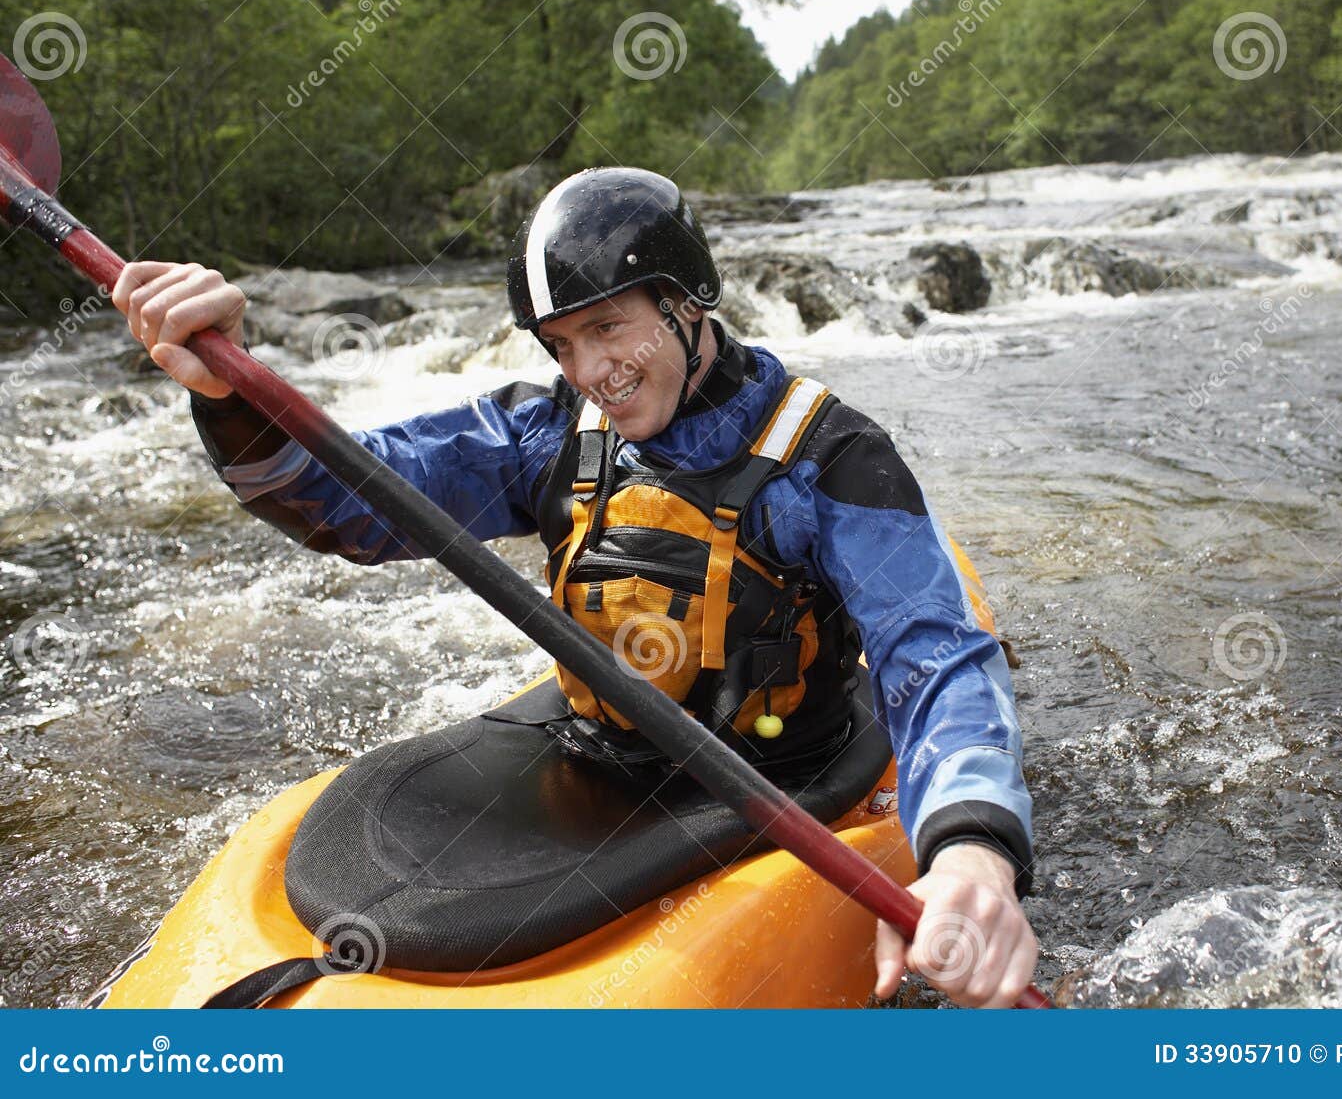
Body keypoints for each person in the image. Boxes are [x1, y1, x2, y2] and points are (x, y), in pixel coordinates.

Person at [112, 166, 1039, 1008]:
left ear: (685, 303)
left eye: (609, 326)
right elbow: (341, 499)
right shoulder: (549, 431)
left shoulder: (832, 460)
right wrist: (230, 396)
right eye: (562, 342)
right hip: (599, 752)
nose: (593, 371)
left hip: (776, 769)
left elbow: (933, 657)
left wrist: (971, 849)